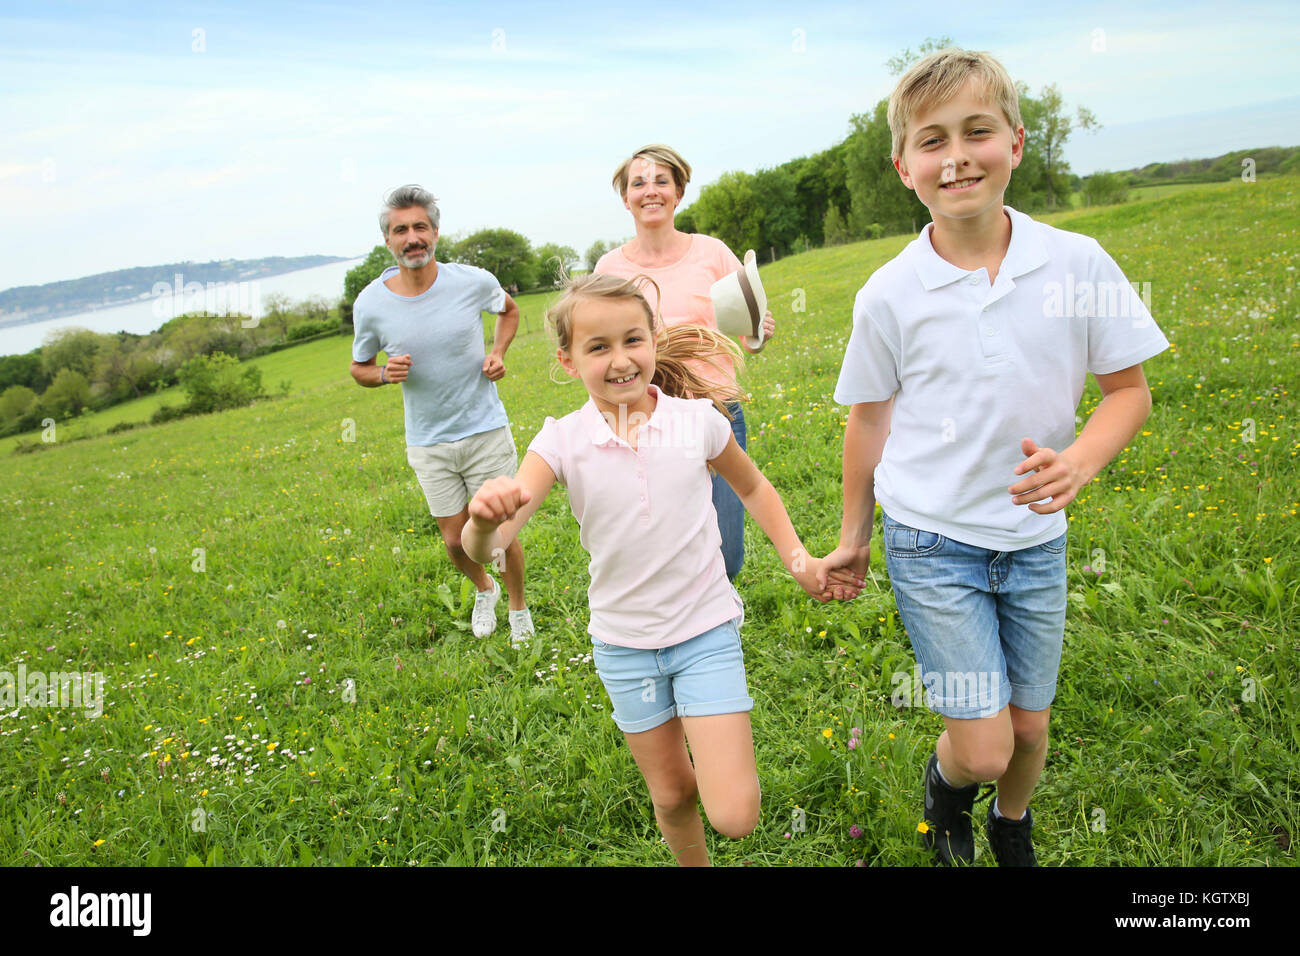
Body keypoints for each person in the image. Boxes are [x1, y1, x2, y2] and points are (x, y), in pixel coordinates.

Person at [833, 49, 1168, 866]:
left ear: (1015, 142)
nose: (956, 156)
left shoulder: (1077, 262)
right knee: (981, 746)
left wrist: (1080, 462)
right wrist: (854, 537)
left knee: (1030, 726)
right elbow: (868, 423)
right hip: (932, 539)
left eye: (977, 131)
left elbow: (1129, 391)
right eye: (932, 140)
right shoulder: (888, 293)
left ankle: (1010, 824)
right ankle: (948, 791)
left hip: (1033, 540)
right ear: (903, 165)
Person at [462, 274, 862, 866]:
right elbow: (489, 547)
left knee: (734, 815)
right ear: (567, 361)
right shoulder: (560, 442)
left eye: (633, 340)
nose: (620, 360)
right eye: (597, 348)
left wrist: (799, 561)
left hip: (704, 632)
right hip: (625, 646)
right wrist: (483, 520)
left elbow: (752, 487)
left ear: (655, 340)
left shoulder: (698, 421)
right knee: (672, 794)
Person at [350, 184, 535, 644]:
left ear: (434, 231)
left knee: (501, 537)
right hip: (429, 441)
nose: (411, 237)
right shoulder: (370, 304)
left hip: (486, 430)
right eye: (400, 230)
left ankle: (518, 610)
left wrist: (498, 351)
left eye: (419, 227)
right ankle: (483, 589)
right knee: (455, 542)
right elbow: (359, 367)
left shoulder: (471, 281)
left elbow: (509, 311)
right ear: (387, 241)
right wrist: (383, 375)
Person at [594, 145, 776, 585]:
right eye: (638, 183)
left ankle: (716, 607)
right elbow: (596, 347)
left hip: (717, 413)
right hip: (644, 418)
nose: (650, 191)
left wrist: (758, 332)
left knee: (727, 553)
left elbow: (748, 331)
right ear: (625, 199)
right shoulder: (609, 269)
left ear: (679, 192)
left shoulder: (712, 253)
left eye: (661, 181)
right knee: (659, 539)